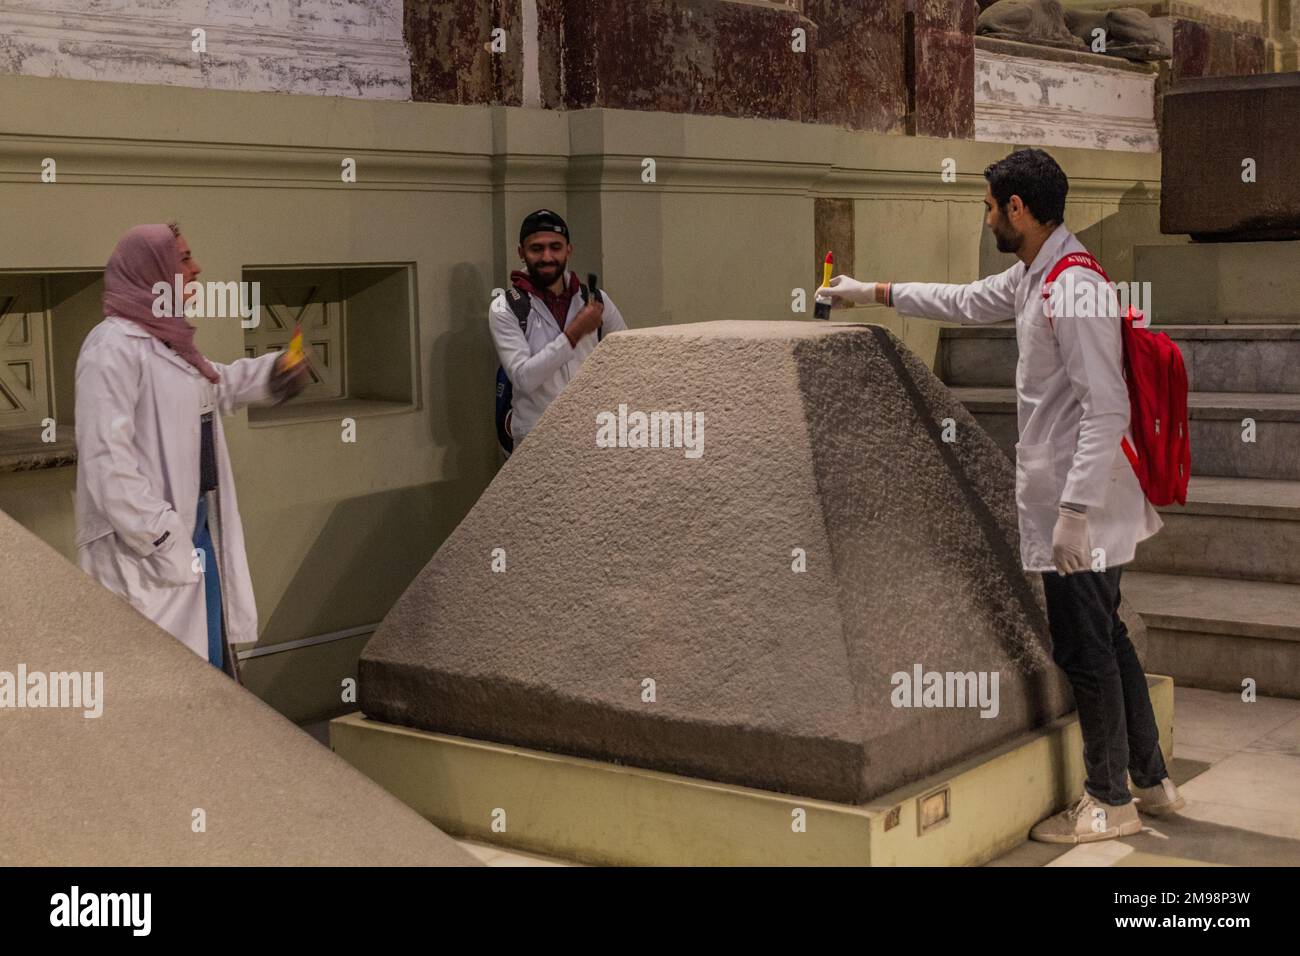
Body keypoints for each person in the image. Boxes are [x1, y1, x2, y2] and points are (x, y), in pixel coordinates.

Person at [818, 148, 1185, 844]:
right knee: (1106, 637)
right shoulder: (1036, 275)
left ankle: (1108, 799)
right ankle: (1151, 779)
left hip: (1083, 507)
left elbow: (1107, 408)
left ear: (1018, 208)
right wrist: (869, 292)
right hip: (1078, 502)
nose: (986, 215)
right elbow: (961, 299)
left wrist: (1074, 514)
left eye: (989, 205)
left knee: (1086, 650)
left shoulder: (1072, 288)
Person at [74, 223, 307, 679]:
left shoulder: (169, 342)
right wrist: (159, 533)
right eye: (183, 259)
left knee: (209, 667)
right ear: (153, 271)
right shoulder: (111, 348)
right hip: (145, 549)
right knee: (160, 686)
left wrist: (276, 371)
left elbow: (214, 386)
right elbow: (106, 460)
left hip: (195, 535)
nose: (197, 268)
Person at [490, 209, 626, 447]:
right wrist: (573, 334)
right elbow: (524, 379)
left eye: (555, 247)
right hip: (536, 438)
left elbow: (627, 357)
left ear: (568, 250)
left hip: (592, 433)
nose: (547, 256)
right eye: (536, 248)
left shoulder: (595, 298)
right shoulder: (505, 307)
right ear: (521, 252)